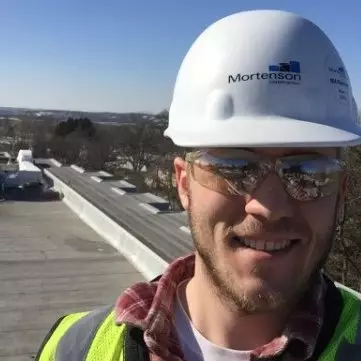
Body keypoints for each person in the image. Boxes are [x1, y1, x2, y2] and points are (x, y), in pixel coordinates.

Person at [36, 9, 361, 361]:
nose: (268, 205)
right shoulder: (73, 348)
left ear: (340, 191)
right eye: (235, 168)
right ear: (184, 184)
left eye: (307, 172)